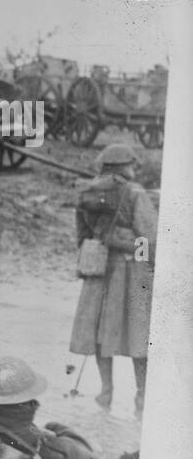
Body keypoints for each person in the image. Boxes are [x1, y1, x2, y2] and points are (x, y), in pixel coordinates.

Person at [68, 142, 156, 414]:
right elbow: (150, 236)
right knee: (138, 334)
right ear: (123, 166)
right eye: (132, 164)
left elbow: (81, 235)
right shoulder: (134, 192)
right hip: (129, 271)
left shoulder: (87, 192)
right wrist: (144, 261)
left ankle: (105, 394)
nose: (134, 169)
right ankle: (141, 400)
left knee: (98, 334)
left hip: (97, 271)